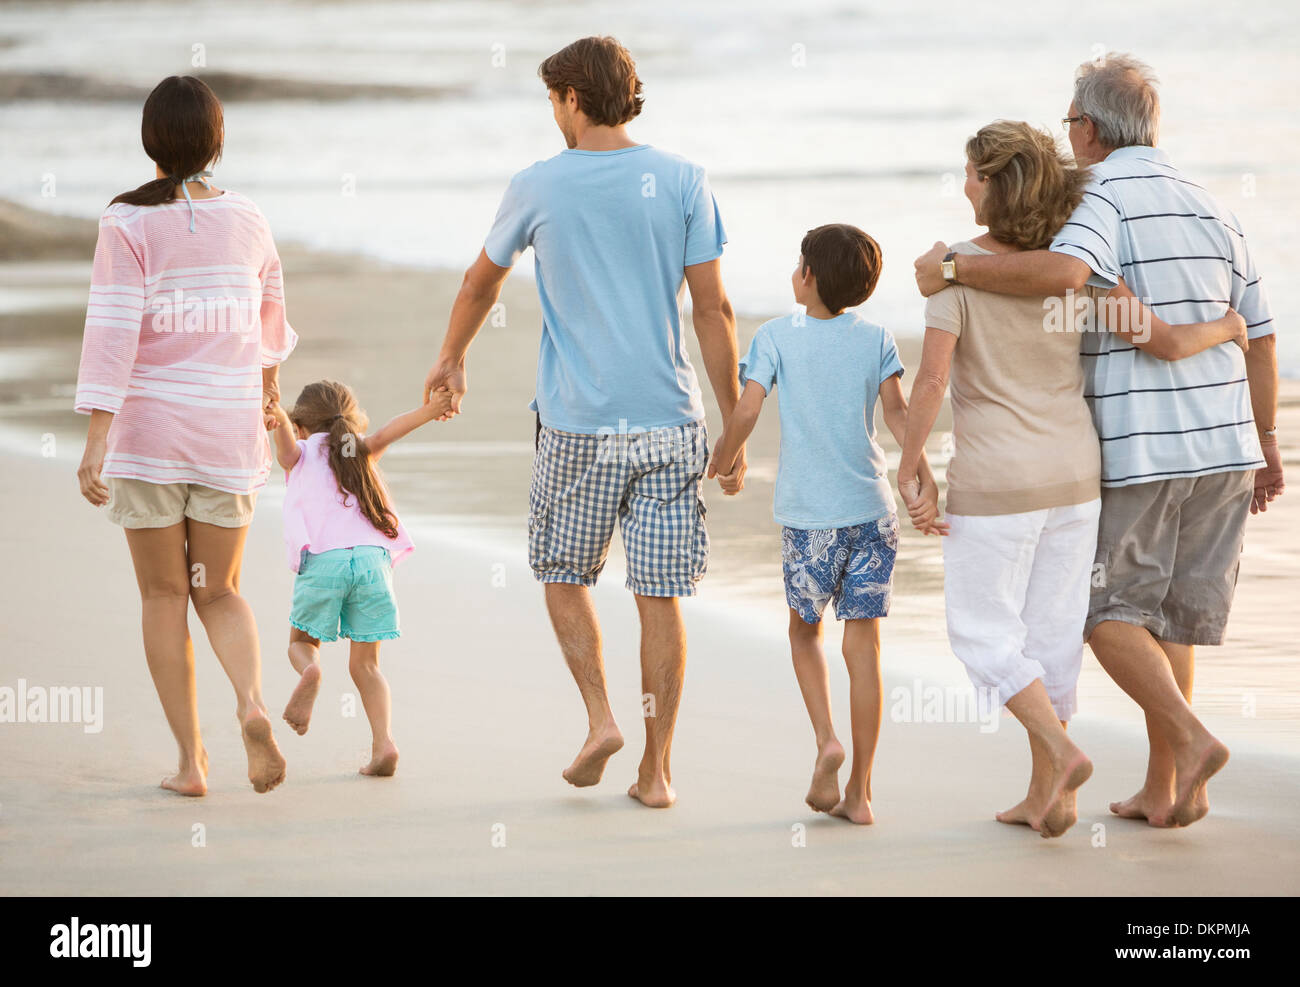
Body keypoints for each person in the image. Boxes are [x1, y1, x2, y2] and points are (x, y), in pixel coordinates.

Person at [914, 54, 1280, 827]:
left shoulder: (1099, 200)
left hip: (1141, 452)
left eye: (1069, 121)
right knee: (1166, 619)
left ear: (1088, 129)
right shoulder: (1213, 202)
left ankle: (1184, 737)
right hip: (1218, 444)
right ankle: (1168, 785)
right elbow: (1252, 333)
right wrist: (1268, 436)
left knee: (1109, 615)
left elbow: (1064, 276)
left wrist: (952, 265)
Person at [421, 36, 742, 808]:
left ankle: (601, 718)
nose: (554, 116)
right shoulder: (684, 179)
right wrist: (732, 427)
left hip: (577, 424)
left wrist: (451, 358)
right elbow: (714, 309)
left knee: (564, 575)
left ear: (570, 98)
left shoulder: (540, 186)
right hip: (670, 420)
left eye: (553, 101)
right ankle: (657, 772)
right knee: (658, 596)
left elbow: (478, 282)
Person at [74, 76, 296, 796]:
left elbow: (112, 333)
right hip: (227, 431)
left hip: (151, 436)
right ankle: (253, 703)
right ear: (217, 141)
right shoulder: (250, 219)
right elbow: (269, 330)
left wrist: (95, 438)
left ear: (151, 142)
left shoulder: (126, 223)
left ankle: (192, 764)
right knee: (222, 591)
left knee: (165, 595)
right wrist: (266, 402)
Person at [710, 224, 942, 825]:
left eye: (799, 262)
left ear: (808, 276)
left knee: (804, 632)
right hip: (870, 513)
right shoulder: (876, 338)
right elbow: (897, 413)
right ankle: (861, 794)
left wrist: (723, 459)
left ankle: (826, 741)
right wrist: (918, 468)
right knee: (863, 648)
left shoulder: (775, 337)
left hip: (809, 520)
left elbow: (748, 409)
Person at [265, 380, 453, 777]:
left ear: (302, 426)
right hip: (372, 562)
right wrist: (434, 407)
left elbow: (283, 442)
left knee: (302, 642)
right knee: (367, 666)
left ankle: (311, 671)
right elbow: (393, 429)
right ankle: (384, 743)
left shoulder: (297, 454)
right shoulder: (361, 450)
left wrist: (276, 412)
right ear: (351, 420)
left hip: (324, 561)